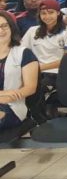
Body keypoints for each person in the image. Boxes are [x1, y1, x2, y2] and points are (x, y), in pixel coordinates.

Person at [0, 11, 39, 140]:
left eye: (4, 26)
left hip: (12, 106)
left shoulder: (24, 53)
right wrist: (3, 95)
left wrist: (9, 97)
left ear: (11, 27)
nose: (1, 30)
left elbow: (30, 88)